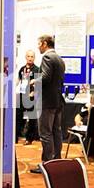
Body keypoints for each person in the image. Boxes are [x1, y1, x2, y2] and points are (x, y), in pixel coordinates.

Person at [31, 35, 66, 173]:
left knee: (45, 133)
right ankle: (57, 160)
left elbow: (45, 77)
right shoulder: (59, 58)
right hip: (57, 101)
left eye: (39, 44)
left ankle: (47, 164)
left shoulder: (47, 57)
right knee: (56, 131)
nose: (38, 46)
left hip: (46, 102)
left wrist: (33, 81)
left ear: (45, 44)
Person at [17, 50, 40, 144]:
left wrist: (33, 93)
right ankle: (16, 136)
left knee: (31, 118)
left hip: (32, 97)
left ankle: (29, 138)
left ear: (34, 58)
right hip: (22, 95)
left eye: (32, 57)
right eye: (28, 56)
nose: (30, 58)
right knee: (18, 116)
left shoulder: (37, 69)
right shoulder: (22, 69)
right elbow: (19, 81)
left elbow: (39, 84)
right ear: (25, 57)